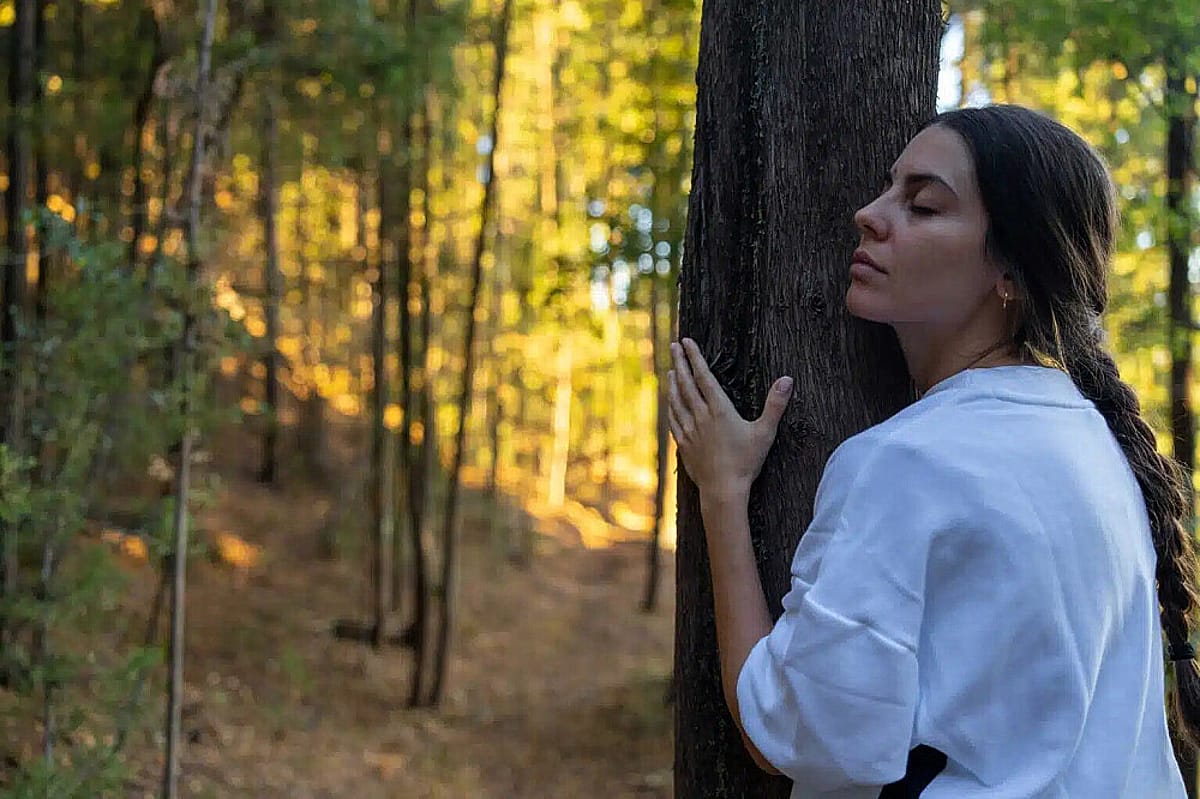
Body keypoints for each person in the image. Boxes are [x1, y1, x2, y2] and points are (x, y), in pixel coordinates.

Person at [667, 104, 1200, 798]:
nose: (868, 213)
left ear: (1009, 270)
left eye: (921, 205)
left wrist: (723, 493)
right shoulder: (1099, 443)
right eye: (888, 189)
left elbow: (792, 733)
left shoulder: (908, 461)